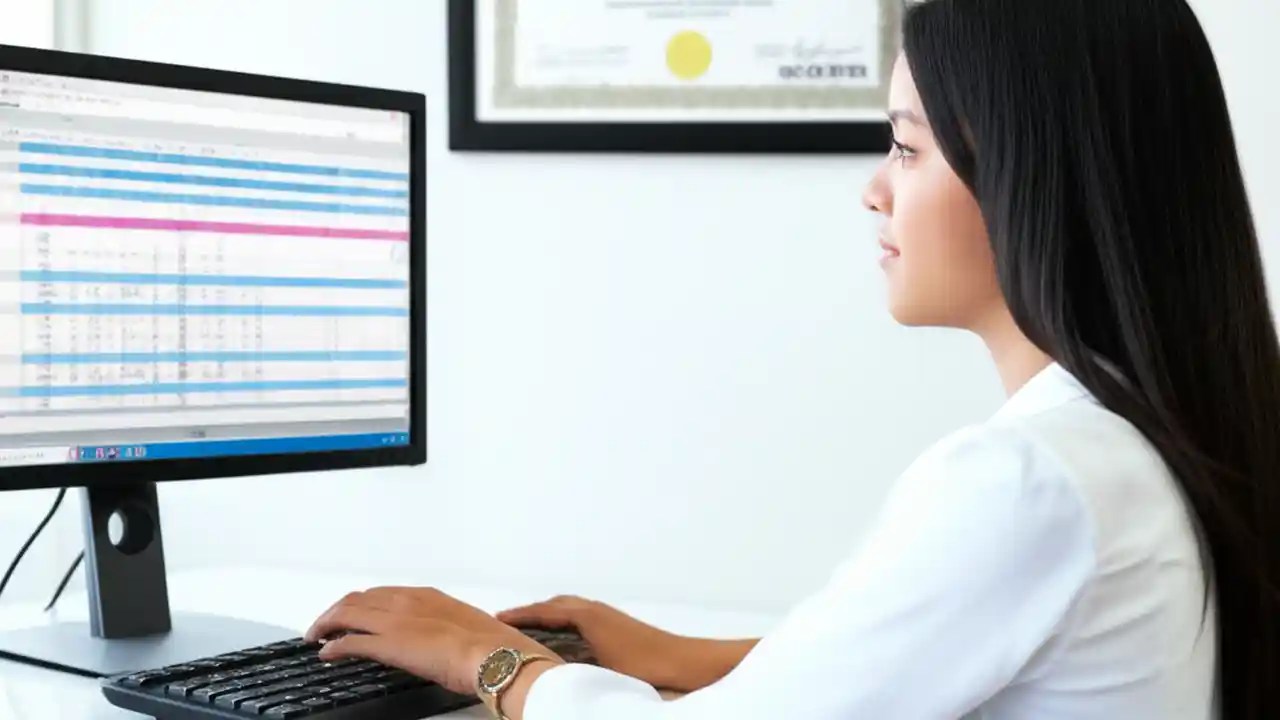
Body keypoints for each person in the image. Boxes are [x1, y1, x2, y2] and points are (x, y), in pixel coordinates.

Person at [303, 0, 1280, 718]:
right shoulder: (1137, 449)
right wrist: (676, 655)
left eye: (905, 147)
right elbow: (909, 664)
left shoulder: (1027, 484)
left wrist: (485, 657)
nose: (873, 191)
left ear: (1030, 174)